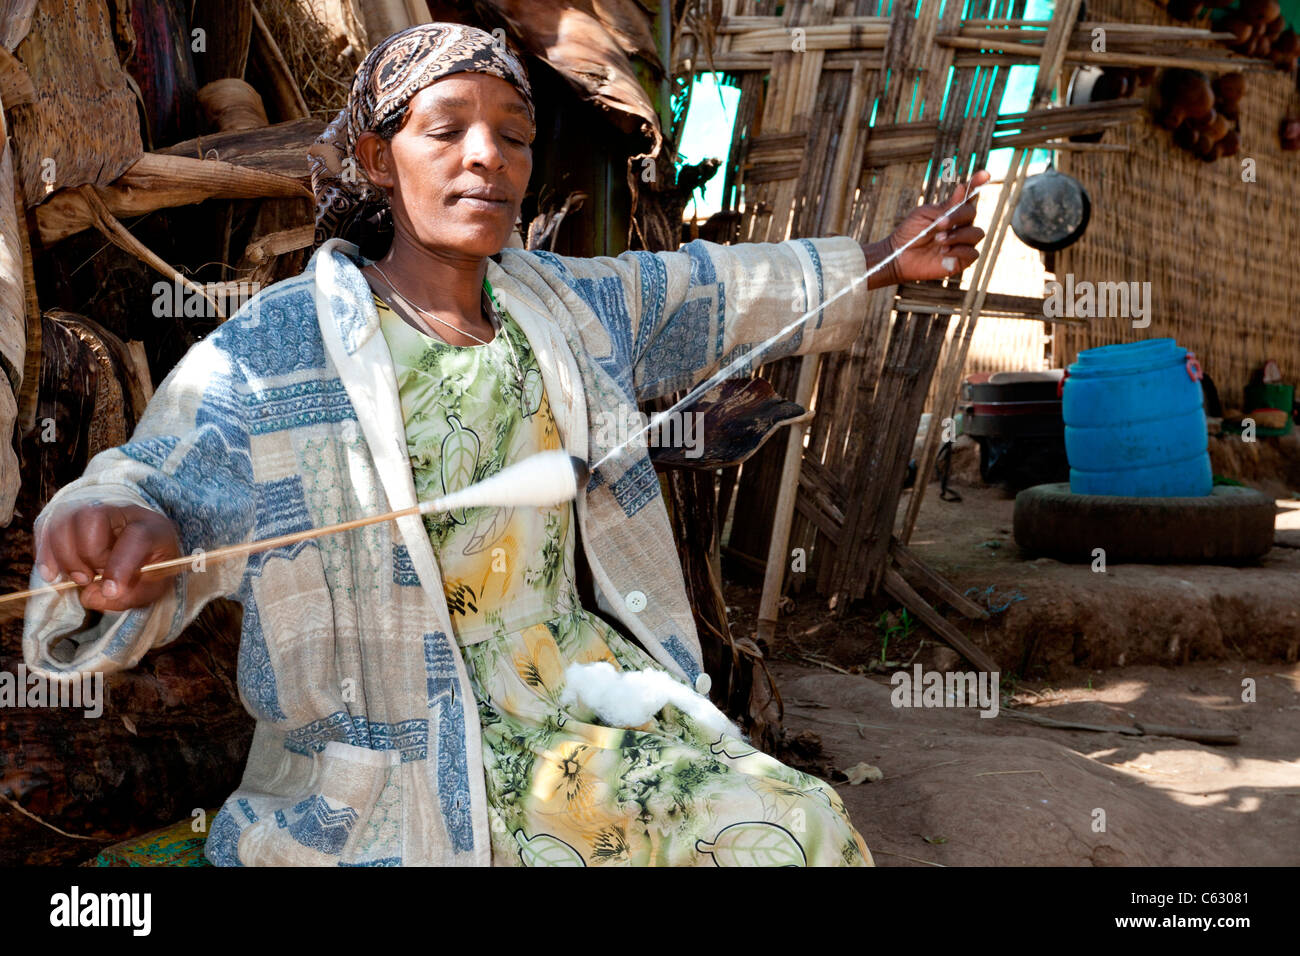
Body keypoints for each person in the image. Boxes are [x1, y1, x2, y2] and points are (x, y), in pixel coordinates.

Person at [23, 22, 986, 867]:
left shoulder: (561, 307)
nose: (487, 158)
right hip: (385, 754)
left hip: (576, 700)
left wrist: (884, 258)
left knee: (800, 826)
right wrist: (118, 523)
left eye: (514, 137)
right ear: (374, 156)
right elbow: (158, 480)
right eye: (444, 131)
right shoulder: (281, 347)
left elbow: (709, 292)